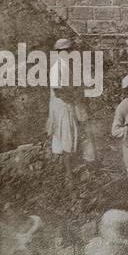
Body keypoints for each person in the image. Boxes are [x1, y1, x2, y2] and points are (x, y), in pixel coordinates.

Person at [46, 37, 86, 179]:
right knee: (66, 138)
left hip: (66, 105)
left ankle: (71, 169)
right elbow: (58, 90)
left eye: (69, 50)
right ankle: (68, 174)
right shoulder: (57, 67)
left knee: (71, 136)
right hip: (62, 107)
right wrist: (72, 95)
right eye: (66, 50)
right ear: (60, 52)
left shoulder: (65, 65)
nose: (69, 53)